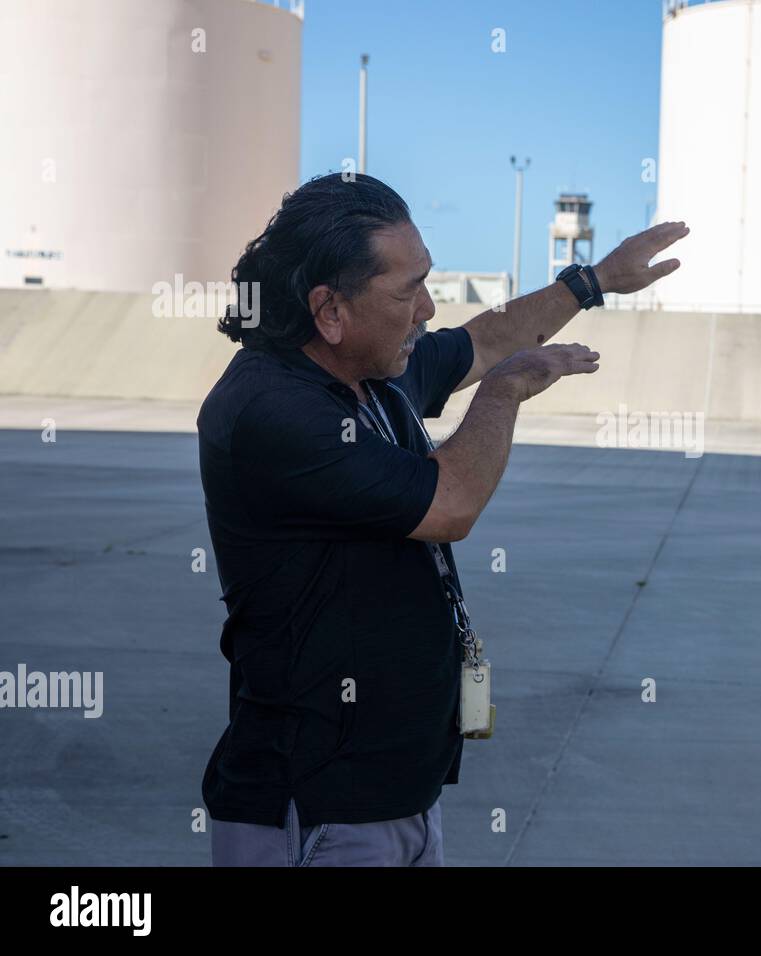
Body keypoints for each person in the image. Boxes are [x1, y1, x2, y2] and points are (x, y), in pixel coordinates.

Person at [198, 173, 687, 865]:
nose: (428, 308)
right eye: (408, 291)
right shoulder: (275, 410)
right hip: (318, 805)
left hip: (391, 796)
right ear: (329, 310)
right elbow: (451, 502)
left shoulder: (368, 369)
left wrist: (595, 280)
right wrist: (507, 390)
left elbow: (484, 339)